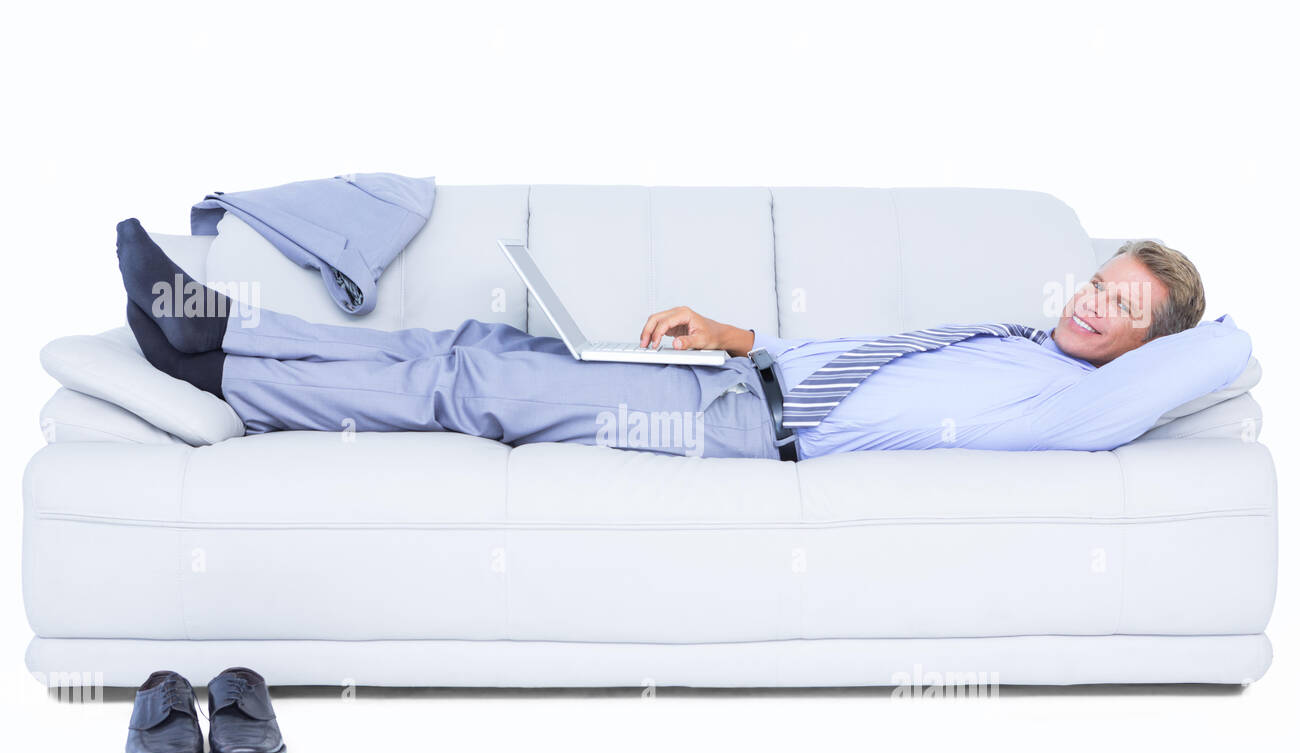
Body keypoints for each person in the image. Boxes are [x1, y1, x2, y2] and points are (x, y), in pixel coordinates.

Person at [113, 219, 1251, 460]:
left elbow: (1223, 348)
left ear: (1148, 347)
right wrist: (728, 332)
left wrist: (1176, 326)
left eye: (1126, 309)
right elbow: (846, 353)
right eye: (1101, 281)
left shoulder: (1079, 407)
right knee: (470, 340)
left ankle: (221, 374)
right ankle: (214, 329)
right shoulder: (1014, 340)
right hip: (730, 374)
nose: (1094, 304)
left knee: (474, 389)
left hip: (735, 429)